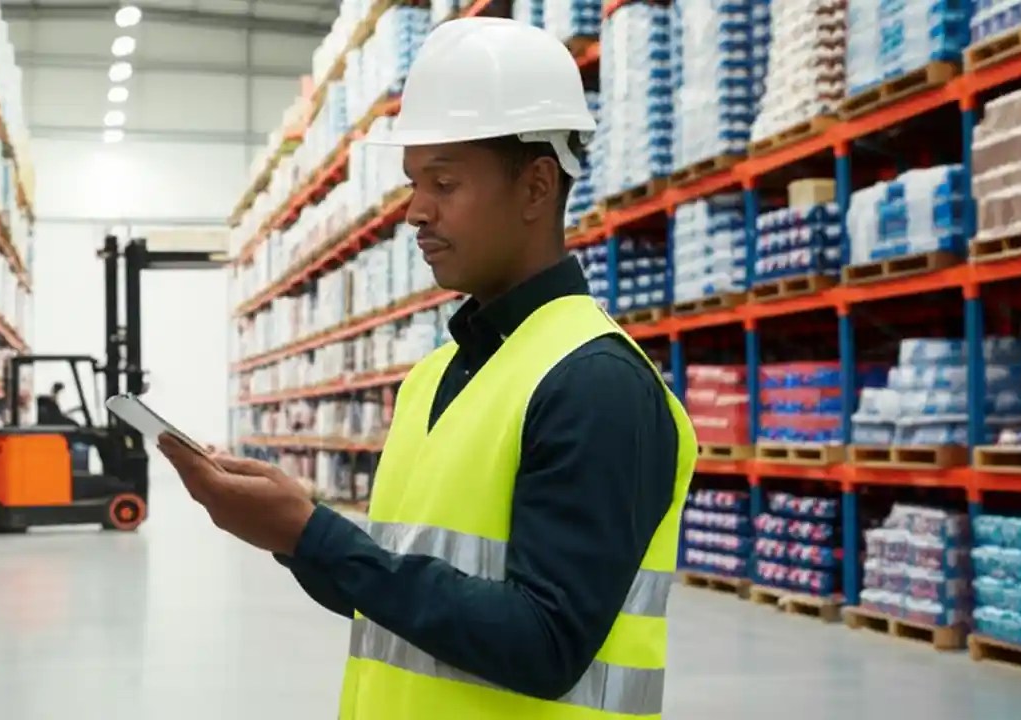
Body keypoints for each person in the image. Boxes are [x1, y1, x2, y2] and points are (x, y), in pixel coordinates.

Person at [158, 17, 698, 720]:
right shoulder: (433, 379)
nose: (415, 211)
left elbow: (546, 645)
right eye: (415, 182)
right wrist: (294, 532)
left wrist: (309, 534)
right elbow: (393, 590)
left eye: (444, 182)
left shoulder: (596, 384)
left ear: (537, 187)